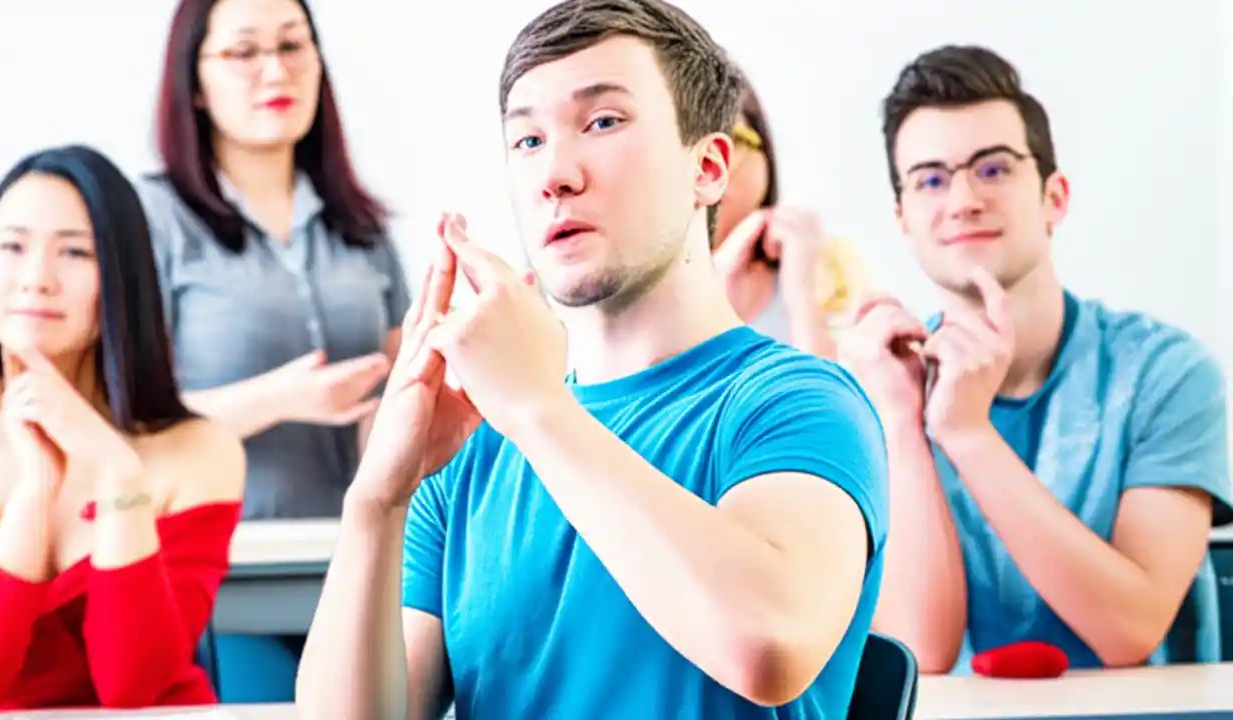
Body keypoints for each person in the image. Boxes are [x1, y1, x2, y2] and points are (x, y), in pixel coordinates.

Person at [296, 1, 887, 718]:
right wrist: (376, 503)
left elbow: (769, 645)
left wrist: (537, 411)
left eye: (602, 122)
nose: (555, 174)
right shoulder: (469, 450)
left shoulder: (798, 401)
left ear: (707, 167)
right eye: (528, 140)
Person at [842, 44, 1232, 674]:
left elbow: (1130, 629)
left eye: (993, 169)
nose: (963, 198)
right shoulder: (876, 387)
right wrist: (901, 423)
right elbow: (923, 654)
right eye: (931, 179)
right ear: (904, 219)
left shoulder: (1167, 373)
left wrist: (966, 433)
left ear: (1055, 197)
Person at [0, 145, 245, 711]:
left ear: (121, 279)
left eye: (75, 252)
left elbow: (133, 689)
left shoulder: (202, 452)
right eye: (12, 246)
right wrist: (37, 493)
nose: (36, 279)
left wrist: (117, 474)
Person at [138, 0, 411, 522]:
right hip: (224, 562)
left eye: (291, 45)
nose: (275, 70)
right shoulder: (152, 218)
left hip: (367, 554)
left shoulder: (361, 226)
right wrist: (278, 398)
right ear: (193, 82)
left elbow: (405, 380)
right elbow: (129, 429)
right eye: (243, 52)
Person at [713, 70, 870, 358]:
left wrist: (802, 297)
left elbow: (831, 399)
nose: (713, 168)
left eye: (733, 143)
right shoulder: (637, 284)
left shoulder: (829, 266)